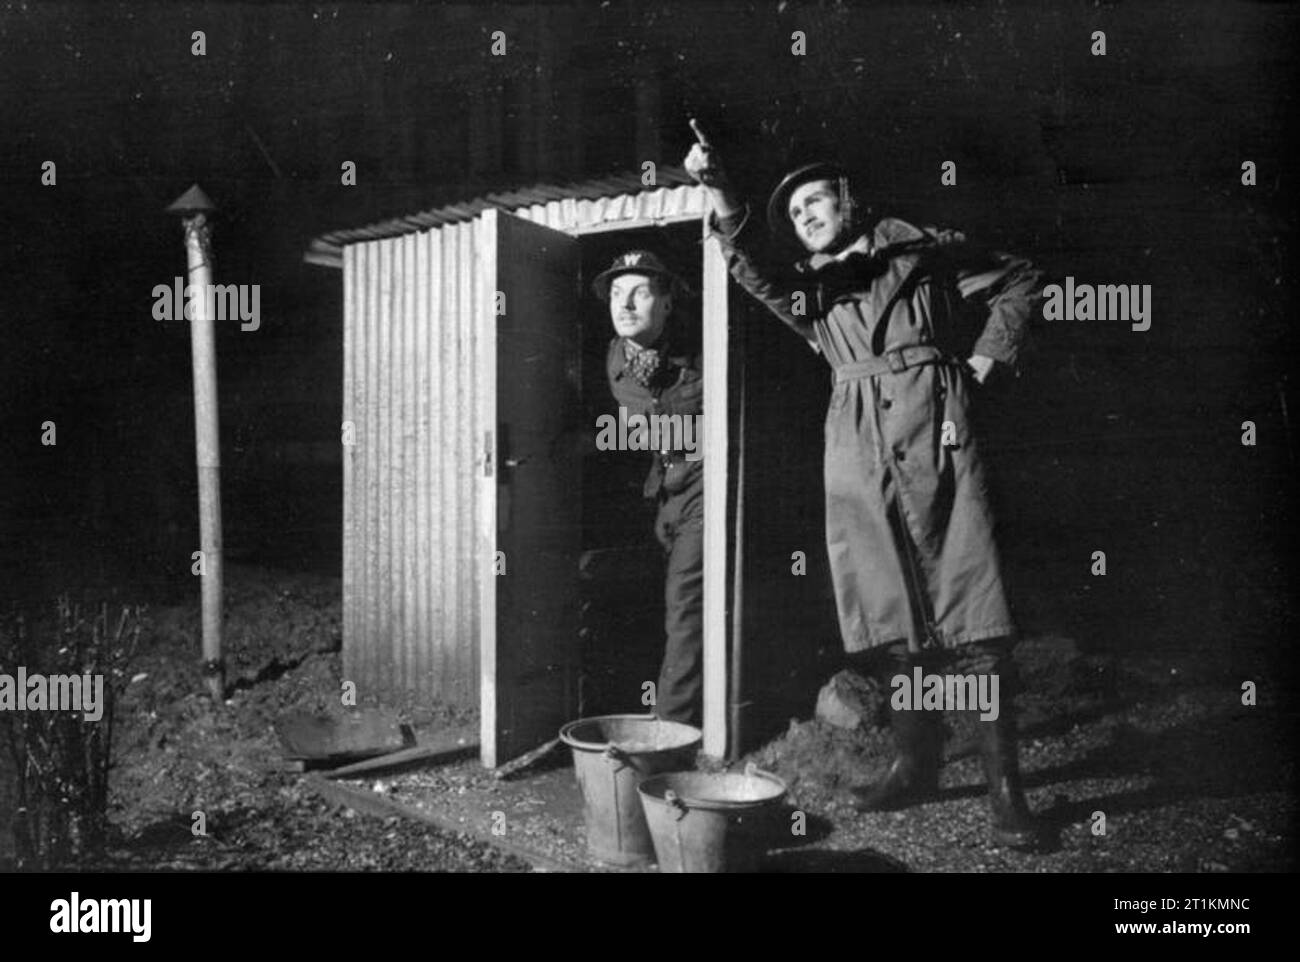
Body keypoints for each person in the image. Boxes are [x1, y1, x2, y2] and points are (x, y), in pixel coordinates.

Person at [684, 145, 1046, 849]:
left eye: (815, 200)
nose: (805, 216)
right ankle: (916, 761)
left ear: (850, 199)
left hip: (935, 424)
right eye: (792, 211)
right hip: (855, 440)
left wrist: (985, 360)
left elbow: (1022, 279)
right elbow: (750, 267)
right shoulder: (811, 290)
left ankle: (1007, 791)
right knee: (893, 612)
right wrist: (724, 194)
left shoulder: (923, 249)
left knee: (975, 608)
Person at [592, 250, 703, 727]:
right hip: (661, 490)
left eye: (640, 292)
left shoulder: (704, 348)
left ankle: (671, 730)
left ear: (668, 302)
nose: (626, 304)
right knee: (652, 602)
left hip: (704, 486)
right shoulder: (617, 357)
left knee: (685, 605)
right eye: (617, 293)